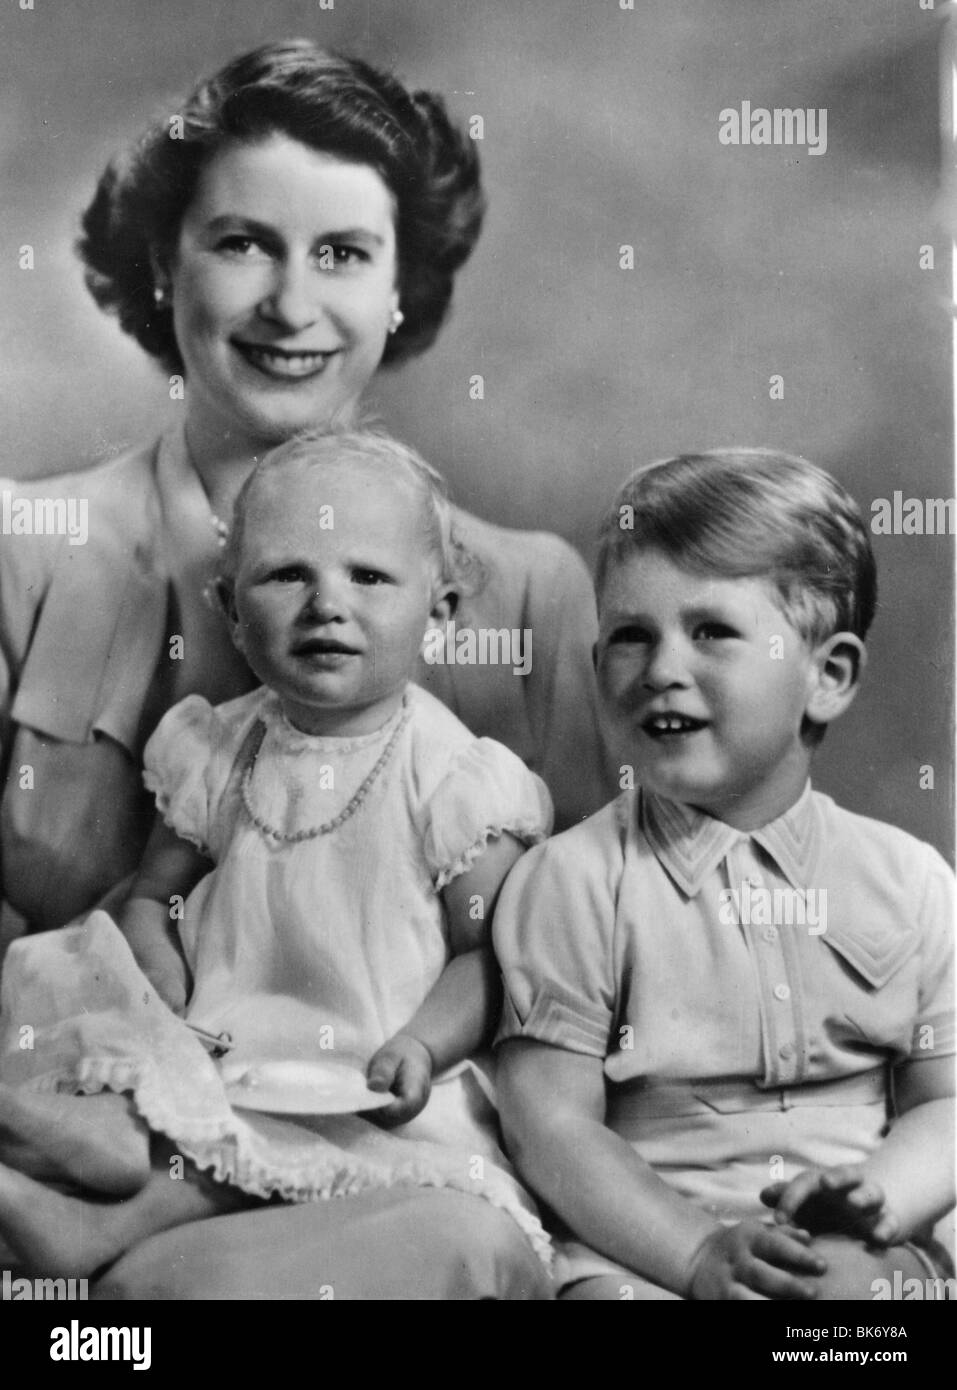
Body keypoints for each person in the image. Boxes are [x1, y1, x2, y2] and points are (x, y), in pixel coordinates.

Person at [0, 38, 594, 1300]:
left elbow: (575, 983)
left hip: (384, 1161)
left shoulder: (531, 592)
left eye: (341, 254)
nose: (289, 304)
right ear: (162, 266)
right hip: (77, 1130)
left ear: (400, 289)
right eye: (242, 243)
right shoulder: (22, 551)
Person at [0, 429, 553, 1281]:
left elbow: (487, 953)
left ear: (438, 615)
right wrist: (163, 985)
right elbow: (155, 898)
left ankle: (85, 1216)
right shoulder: (217, 747)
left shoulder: (454, 778)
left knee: (268, 1151)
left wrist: (422, 1045)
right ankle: (91, 1140)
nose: (325, 603)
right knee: (87, 963)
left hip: (370, 1084)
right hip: (229, 1049)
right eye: (287, 574)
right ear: (230, 609)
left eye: (367, 576)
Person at [494, 449, 955, 1300]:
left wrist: (876, 1198)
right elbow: (549, 1126)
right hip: (642, 1245)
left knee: (849, 1302)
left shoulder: (911, 881)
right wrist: (699, 1254)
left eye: (710, 631)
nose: (662, 668)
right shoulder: (571, 881)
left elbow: (946, 1103)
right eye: (630, 636)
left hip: (853, 1238)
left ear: (827, 675)